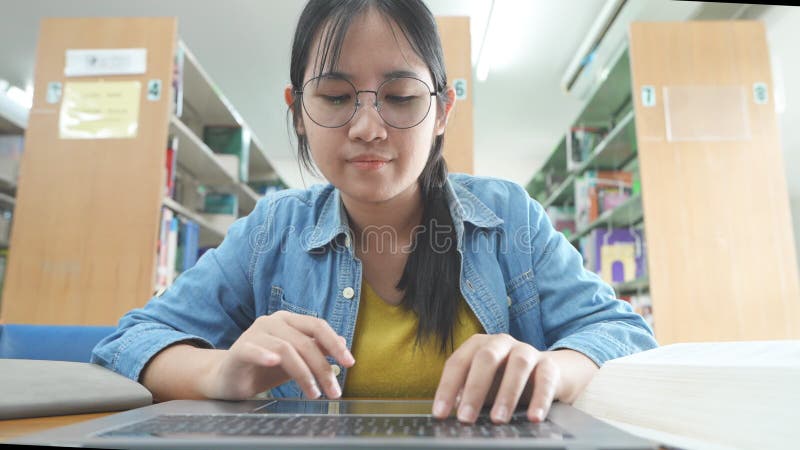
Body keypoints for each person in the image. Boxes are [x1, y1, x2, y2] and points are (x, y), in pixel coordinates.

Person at [92, 0, 657, 425]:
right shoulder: (272, 231)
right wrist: (220, 371)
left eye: (401, 95)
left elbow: (624, 334)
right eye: (336, 96)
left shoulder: (510, 218)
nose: (367, 127)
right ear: (298, 111)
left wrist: (549, 367)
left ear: (441, 110)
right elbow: (128, 343)